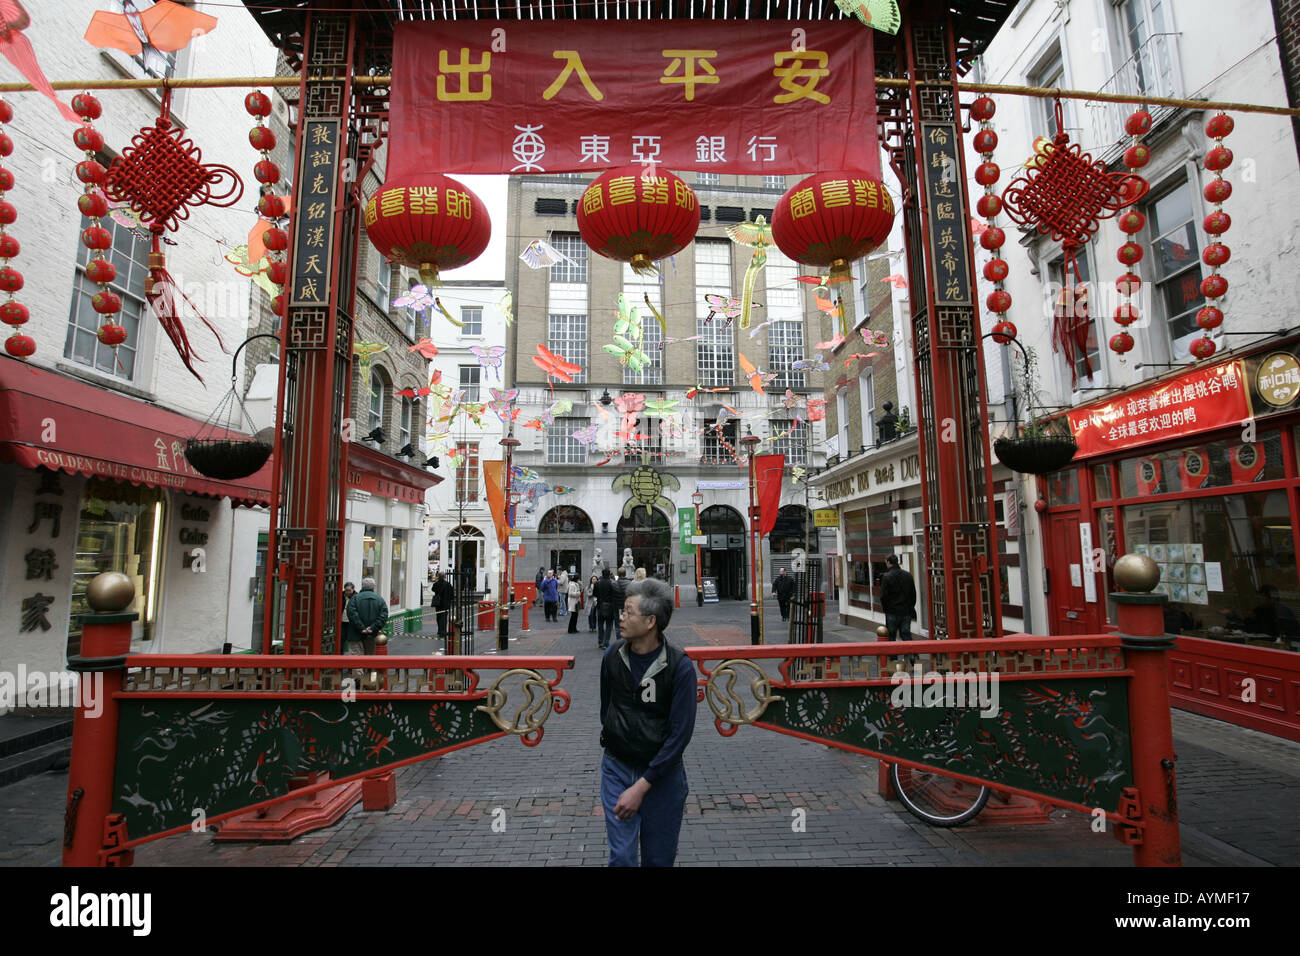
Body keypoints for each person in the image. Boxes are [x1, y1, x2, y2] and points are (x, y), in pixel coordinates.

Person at [599, 577, 697, 867]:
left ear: (651, 621)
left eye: (629, 612)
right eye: (623, 610)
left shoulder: (679, 667)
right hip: (617, 767)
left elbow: (680, 736)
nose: (621, 617)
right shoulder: (613, 656)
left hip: (662, 776)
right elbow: (607, 708)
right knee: (622, 857)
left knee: (658, 859)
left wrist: (643, 785)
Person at [345, 577, 388, 654]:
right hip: (371, 635)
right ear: (373, 587)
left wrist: (362, 628)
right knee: (369, 657)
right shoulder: (379, 599)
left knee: (356, 657)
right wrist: (372, 628)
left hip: (355, 634)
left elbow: (352, 614)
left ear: (362, 586)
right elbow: (383, 616)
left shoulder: (354, 598)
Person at [879, 555, 917, 642]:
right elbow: (913, 594)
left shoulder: (886, 577)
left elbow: (883, 596)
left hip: (892, 611)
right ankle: (911, 651)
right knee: (906, 634)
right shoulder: (908, 575)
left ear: (888, 562)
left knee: (891, 636)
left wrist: (886, 609)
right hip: (906, 610)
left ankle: (893, 651)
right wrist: (910, 607)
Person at [595, 568, 620, 649]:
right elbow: (615, 593)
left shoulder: (597, 583)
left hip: (600, 605)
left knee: (600, 624)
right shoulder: (612, 583)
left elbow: (594, 594)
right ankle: (606, 643)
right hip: (610, 606)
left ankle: (600, 641)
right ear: (609, 574)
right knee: (609, 625)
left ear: (602, 574)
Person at [432, 571, 454, 639]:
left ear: (438, 577)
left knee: (438, 617)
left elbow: (433, 589)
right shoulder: (448, 584)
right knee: (444, 618)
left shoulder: (436, 584)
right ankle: (443, 631)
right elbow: (452, 594)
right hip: (446, 603)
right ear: (444, 577)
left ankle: (439, 630)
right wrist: (450, 600)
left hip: (438, 603)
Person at [339, 581, 357, 648]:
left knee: (352, 639)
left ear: (353, 589)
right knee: (341, 638)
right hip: (342, 621)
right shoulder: (341, 596)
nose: (348, 592)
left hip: (351, 622)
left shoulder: (356, 597)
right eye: (346, 590)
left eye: (349, 590)